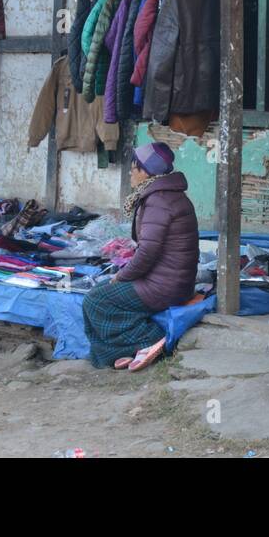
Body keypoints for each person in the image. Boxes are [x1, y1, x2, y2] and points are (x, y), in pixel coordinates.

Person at [82, 142, 199, 370]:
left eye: (133, 168)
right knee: (97, 293)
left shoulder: (159, 200)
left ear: (145, 172)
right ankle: (122, 352)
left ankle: (151, 339)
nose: (130, 173)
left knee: (95, 301)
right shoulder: (169, 195)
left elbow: (148, 252)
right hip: (171, 281)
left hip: (164, 286)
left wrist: (122, 276)